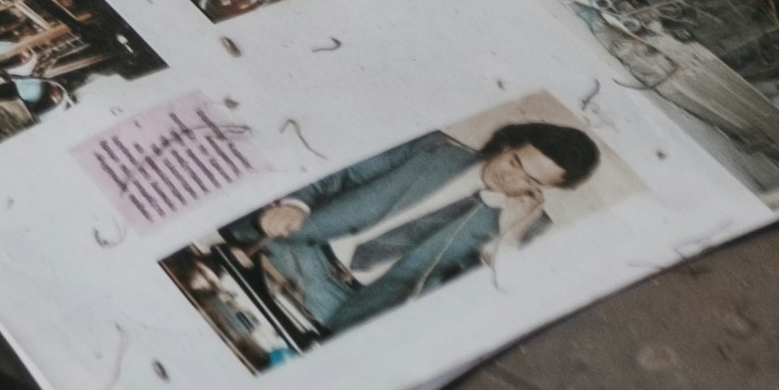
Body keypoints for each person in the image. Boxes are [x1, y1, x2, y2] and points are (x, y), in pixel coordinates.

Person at [254, 120, 599, 333]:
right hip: (296, 244)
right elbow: (340, 171)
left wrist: (508, 239)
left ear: (546, 190)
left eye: (529, 179)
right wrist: (295, 204)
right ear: (508, 144)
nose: (510, 177)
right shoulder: (431, 147)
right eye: (514, 161)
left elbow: (479, 303)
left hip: (343, 304)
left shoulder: (527, 228)